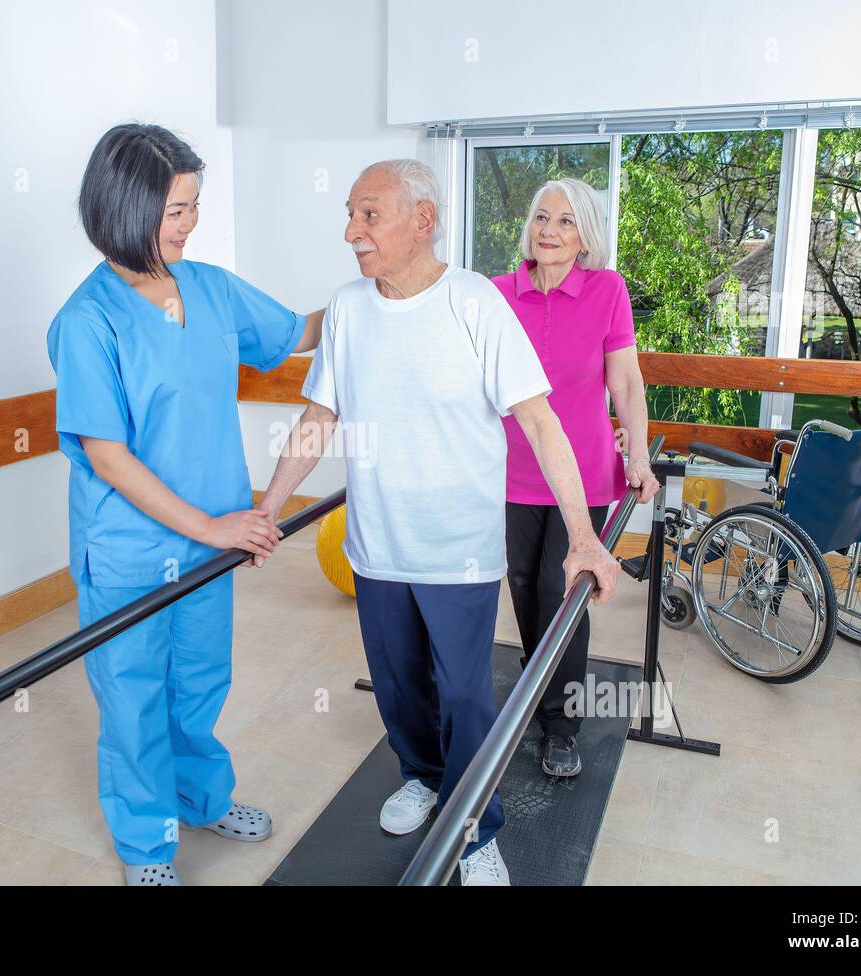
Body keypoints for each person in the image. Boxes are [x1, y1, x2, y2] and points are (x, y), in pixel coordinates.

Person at [257, 159, 619, 886]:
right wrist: (268, 508)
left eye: (368, 214)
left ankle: (476, 829)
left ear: (420, 221)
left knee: (463, 694)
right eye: (351, 215)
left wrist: (584, 538)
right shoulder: (351, 308)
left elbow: (542, 422)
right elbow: (320, 416)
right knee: (399, 688)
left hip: (458, 552)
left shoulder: (475, 302)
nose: (351, 231)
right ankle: (422, 777)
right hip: (377, 547)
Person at [46, 123, 324, 886]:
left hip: (210, 542)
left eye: (194, 206)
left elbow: (297, 332)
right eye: (175, 210)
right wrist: (208, 524)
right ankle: (146, 847)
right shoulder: (87, 321)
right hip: (132, 550)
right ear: (125, 209)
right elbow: (107, 453)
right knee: (134, 702)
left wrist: (379, 289)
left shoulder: (208, 287)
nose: (190, 223)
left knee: (199, 683)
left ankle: (202, 799)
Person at [492, 178, 658, 778]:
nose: (549, 231)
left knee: (561, 593)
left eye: (565, 221)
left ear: (585, 234)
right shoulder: (498, 293)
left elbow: (626, 383)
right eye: (541, 217)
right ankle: (536, 693)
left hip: (582, 472)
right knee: (521, 587)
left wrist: (637, 455)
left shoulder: (607, 290)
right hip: (511, 469)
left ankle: (560, 727)